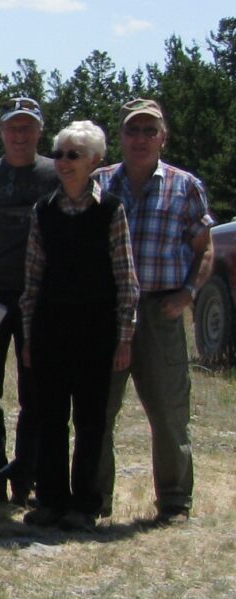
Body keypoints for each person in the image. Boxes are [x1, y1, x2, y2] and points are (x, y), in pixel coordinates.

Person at [94, 98, 210, 527]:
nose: (140, 139)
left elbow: (205, 248)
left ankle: (175, 502)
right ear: (120, 136)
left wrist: (187, 294)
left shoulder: (185, 186)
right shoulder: (98, 183)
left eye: (149, 131)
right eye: (132, 130)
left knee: (168, 412)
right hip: (108, 313)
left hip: (161, 309)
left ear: (163, 137)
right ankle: (94, 499)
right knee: (98, 410)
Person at [20, 121, 138, 531]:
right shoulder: (43, 211)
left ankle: (85, 504)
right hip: (51, 325)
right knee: (49, 416)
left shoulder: (111, 210)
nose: (64, 162)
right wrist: (29, 334)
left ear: (94, 162)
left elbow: (126, 279)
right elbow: (32, 279)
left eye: (74, 155)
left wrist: (125, 336)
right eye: (59, 154)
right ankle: (50, 500)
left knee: (91, 420)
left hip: (97, 328)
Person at [0, 96, 59, 504]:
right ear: (1, 131)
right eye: (12, 127)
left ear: (40, 131)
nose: (19, 135)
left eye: (27, 127)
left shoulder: (56, 175)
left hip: (40, 298)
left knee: (36, 391)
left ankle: (28, 475)